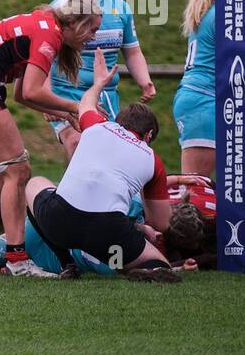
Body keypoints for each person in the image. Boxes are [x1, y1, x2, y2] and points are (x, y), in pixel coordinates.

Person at [0, 0, 101, 277]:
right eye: (92, 29)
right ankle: (17, 260)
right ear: (76, 23)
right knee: (17, 169)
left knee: (10, 169)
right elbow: (31, 91)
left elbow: (21, 93)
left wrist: (63, 114)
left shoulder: (44, 25)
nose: (93, 37)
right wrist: (76, 106)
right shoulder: (49, 33)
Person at [26, 49, 177, 283]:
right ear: (148, 135)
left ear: (118, 122)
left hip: (60, 222)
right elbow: (162, 223)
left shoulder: (98, 125)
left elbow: (86, 102)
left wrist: (99, 84)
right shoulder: (152, 158)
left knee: (34, 183)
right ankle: (146, 269)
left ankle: (67, 264)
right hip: (108, 232)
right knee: (161, 264)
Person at [47, 0, 156, 159]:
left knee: (114, 153)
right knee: (78, 142)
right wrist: (47, 100)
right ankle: (73, 192)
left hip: (106, 95)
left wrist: (145, 81)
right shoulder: (59, 9)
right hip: (67, 91)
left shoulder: (120, 8)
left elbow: (132, 52)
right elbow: (43, 56)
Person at [172, 0, 215, 177]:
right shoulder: (218, 15)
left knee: (197, 183)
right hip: (203, 98)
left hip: (197, 95)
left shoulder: (206, 14)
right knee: (195, 184)